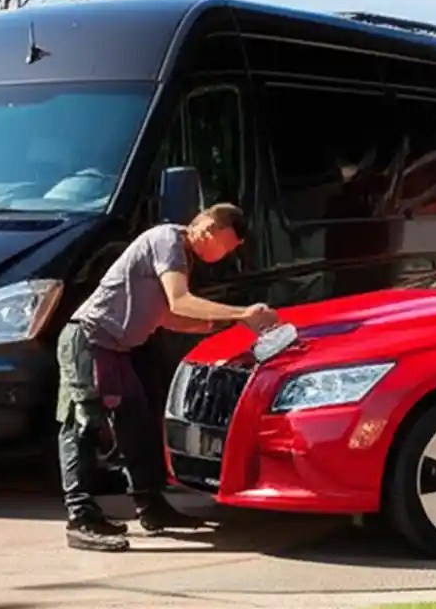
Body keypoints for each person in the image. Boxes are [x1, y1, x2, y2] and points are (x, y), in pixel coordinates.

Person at [56, 203, 279, 552]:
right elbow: (179, 302)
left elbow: (167, 317)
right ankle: (80, 517)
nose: (224, 255)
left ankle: (151, 507)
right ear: (208, 229)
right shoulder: (166, 239)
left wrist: (225, 324)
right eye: (226, 246)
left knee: (135, 424)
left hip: (114, 348)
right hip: (88, 340)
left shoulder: (180, 256)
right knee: (83, 425)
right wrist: (242, 314)